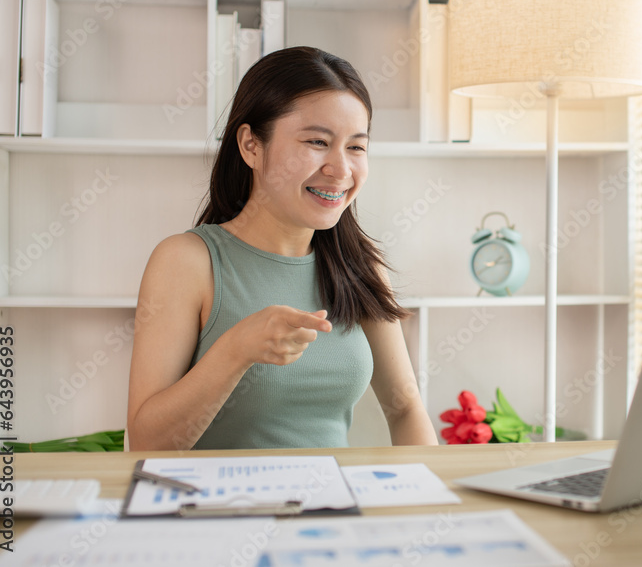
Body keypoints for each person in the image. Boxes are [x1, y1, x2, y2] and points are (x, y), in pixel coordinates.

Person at [126, 46, 438, 450]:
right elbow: (149, 443)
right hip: (218, 509)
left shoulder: (359, 268)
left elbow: (405, 409)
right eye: (317, 141)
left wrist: (426, 501)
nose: (340, 170)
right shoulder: (187, 262)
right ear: (251, 146)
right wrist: (236, 351)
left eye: (356, 147)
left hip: (332, 506)